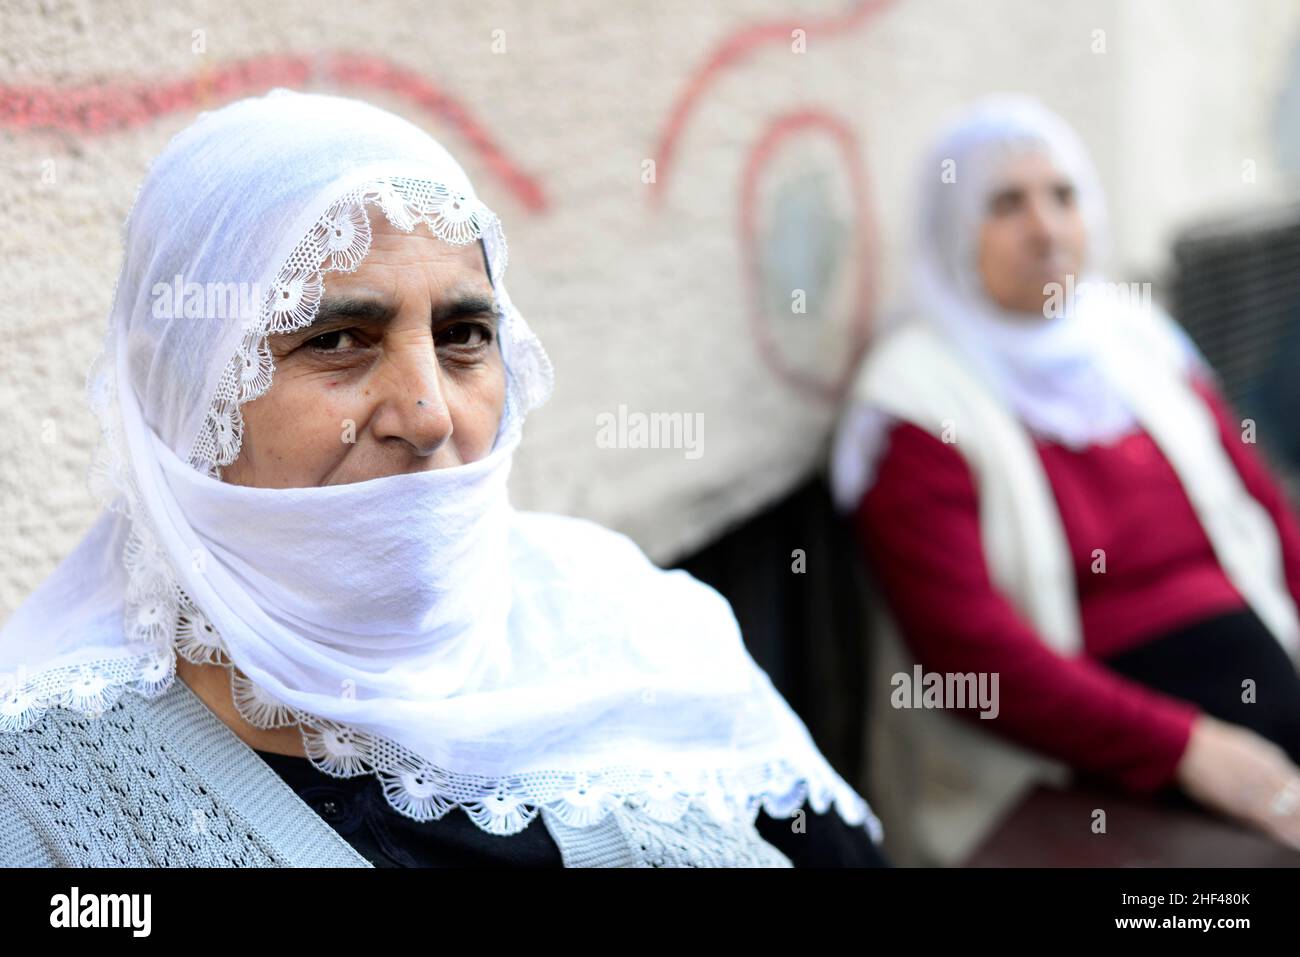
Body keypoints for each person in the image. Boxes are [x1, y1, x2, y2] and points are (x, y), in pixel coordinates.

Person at [0, 89, 884, 868]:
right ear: (180, 394)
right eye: (337, 340)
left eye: (464, 334)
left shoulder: (639, 629)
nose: (427, 415)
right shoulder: (46, 793)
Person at [831, 94, 1300, 853]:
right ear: (952, 231)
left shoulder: (1134, 336)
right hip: (1083, 763)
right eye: (1006, 204)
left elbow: (1266, 510)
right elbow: (968, 650)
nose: (1045, 227)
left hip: (1263, 695)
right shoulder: (914, 401)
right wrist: (1186, 748)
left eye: (1063, 195)